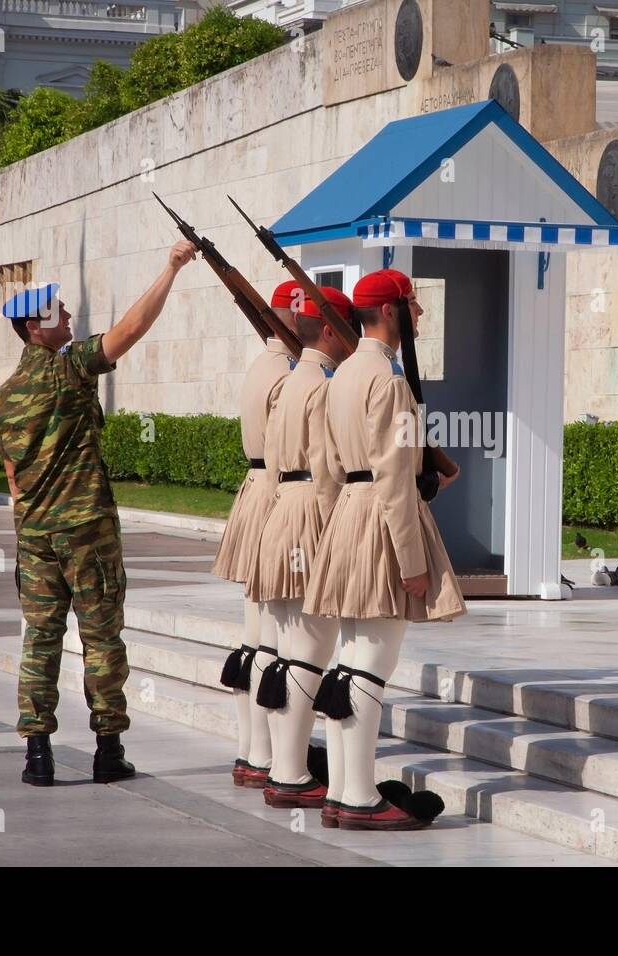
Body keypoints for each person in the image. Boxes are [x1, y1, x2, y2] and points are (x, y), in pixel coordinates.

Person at [0, 239, 198, 786]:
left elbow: (14, 478)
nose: (66, 315)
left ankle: (38, 755)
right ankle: (109, 750)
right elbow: (129, 330)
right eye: (57, 312)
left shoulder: (6, 395)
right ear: (36, 329)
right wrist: (171, 267)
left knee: (40, 640)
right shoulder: (67, 371)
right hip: (85, 532)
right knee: (101, 637)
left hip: (34, 537)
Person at [303, 268, 465, 831]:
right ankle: (358, 797)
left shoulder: (342, 376)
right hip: (379, 518)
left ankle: (346, 790)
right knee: (371, 663)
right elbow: (396, 479)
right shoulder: (390, 383)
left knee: (349, 662)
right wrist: (412, 562)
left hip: (348, 513)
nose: (420, 315)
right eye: (414, 306)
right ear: (392, 312)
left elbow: (324, 466)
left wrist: (335, 535)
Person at [247, 286, 353, 810]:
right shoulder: (321, 387)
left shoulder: (292, 381)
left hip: (280, 509)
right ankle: (289, 774)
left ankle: (279, 764)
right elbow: (329, 467)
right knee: (309, 650)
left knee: (287, 648)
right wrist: (342, 528)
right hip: (310, 508)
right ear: (330, 329)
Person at [210, 281, 300, 788]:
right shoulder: (288, 373)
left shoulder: (264, 364)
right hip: (277, 493)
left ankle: (251, 751)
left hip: (255, 488)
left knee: (254, 635)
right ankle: (267, 755)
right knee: (272, 641)